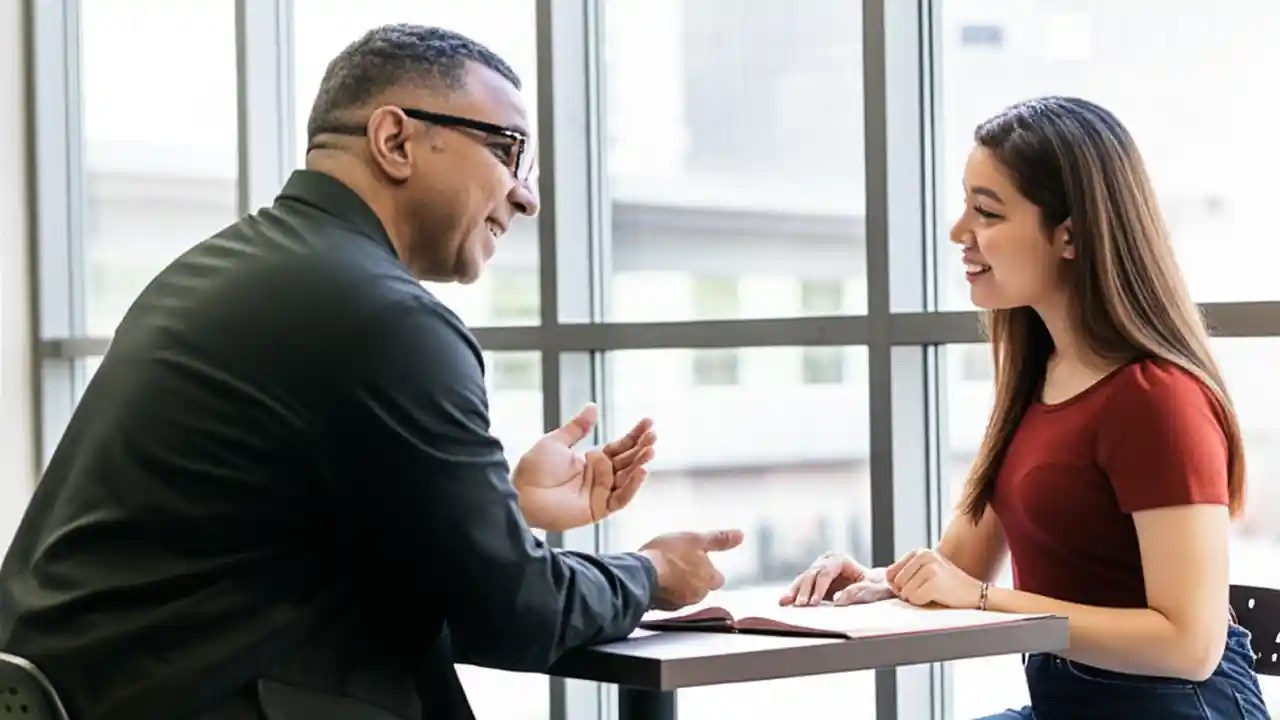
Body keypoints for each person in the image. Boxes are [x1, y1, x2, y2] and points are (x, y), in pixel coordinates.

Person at [0, 25, 743, 720]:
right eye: (509, 151)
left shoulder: (221, 273)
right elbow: (517, 614)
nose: (528, 196)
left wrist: (500, 514)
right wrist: (651, 572)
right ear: (395, 139)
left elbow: (263, 540)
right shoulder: (383, 316)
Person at [781, 97, 1271, 719]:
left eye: (986, 212)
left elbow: (1190, 645)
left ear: (1070, 234)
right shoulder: (1034, 385)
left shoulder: (1157, 400)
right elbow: (959, 566)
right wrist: (879, 583)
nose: (960, 232)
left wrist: (984, 598)